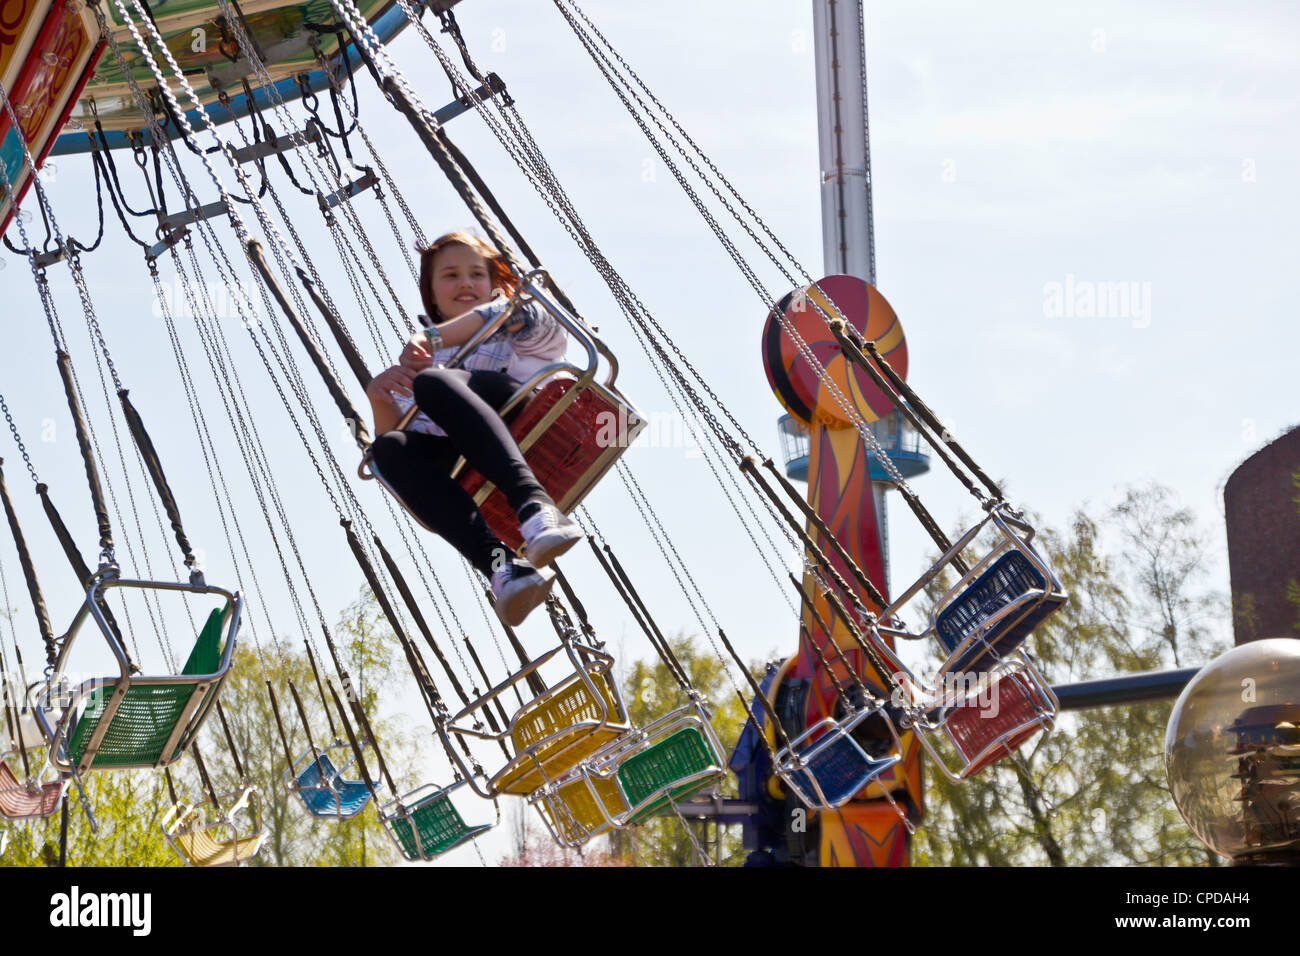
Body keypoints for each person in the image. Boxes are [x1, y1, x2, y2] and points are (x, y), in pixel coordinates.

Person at [365, 231, 582, 626]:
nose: (464, 282)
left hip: (519, 410)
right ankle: (502, 567)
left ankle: (534, 506)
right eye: (450, 275)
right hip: (464, 444)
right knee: (388, 449)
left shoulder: (516, 317)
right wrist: (378, 396)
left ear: (494, 283)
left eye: (475, 274)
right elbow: (404, 451)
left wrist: (430, 337)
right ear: (431, 294)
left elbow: (513, 315)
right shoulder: (423, 363)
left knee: (433, 383)